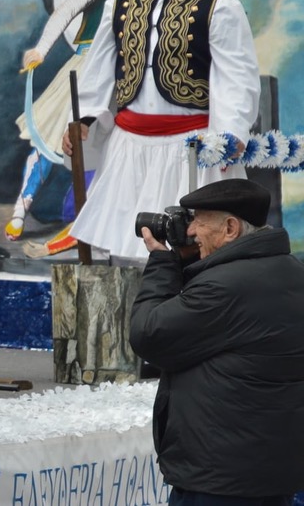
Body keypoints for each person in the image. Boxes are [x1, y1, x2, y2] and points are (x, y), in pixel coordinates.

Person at [63, 0, 260, 261]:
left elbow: (237, 76)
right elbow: (99, 72)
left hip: (193, 151)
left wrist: (230, 133)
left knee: (197, 254)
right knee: (125, 255)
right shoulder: (120, 4)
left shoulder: (219, 4)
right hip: (129, 150)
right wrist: (84, 120)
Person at [130, 179, 304, 504]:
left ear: (230, 228)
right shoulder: (292, 272)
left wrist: (161, 265)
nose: (191, 230)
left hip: (220, 479)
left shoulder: (223, 288)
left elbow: (149, 334)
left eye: (198, 220)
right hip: (270, 471)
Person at [10, 0, 146, 250]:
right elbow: (64, 13)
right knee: (53, 140)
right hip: (88, 70)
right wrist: (41, 50)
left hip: (130, 75)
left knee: (120, 149)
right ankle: (21, 210)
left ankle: (100, 220)